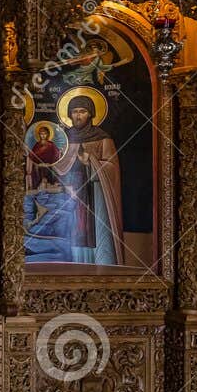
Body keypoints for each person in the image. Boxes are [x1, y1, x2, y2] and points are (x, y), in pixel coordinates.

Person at [47, 96, 124, 265]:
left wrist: (91, 161)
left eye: (82, 111)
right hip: (69, 194)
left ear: (91, 114)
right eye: (74, 112)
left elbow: (112, 167)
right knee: (71, 227)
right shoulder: (63, 140)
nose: (78, 116)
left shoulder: (103, 138)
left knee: (88, 229)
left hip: (94, 196)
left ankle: (98, 264)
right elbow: (55, 167)